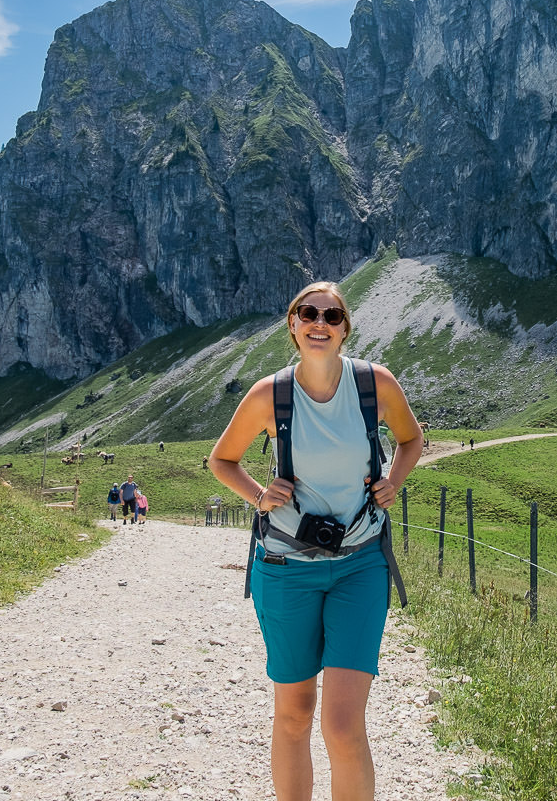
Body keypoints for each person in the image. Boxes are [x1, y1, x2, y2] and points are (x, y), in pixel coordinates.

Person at [210, 281, 422, 801]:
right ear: (292, 325)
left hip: (361, 564)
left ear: (346, 328)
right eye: (308, 313)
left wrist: (394, 479)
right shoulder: (270, 394)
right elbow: (222, 459)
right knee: (293, 714)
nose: (319, 323)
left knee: (343, 726)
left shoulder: (375, 384)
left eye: (331, 315)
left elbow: (411, 439)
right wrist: (260, 495)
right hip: (285, 568)